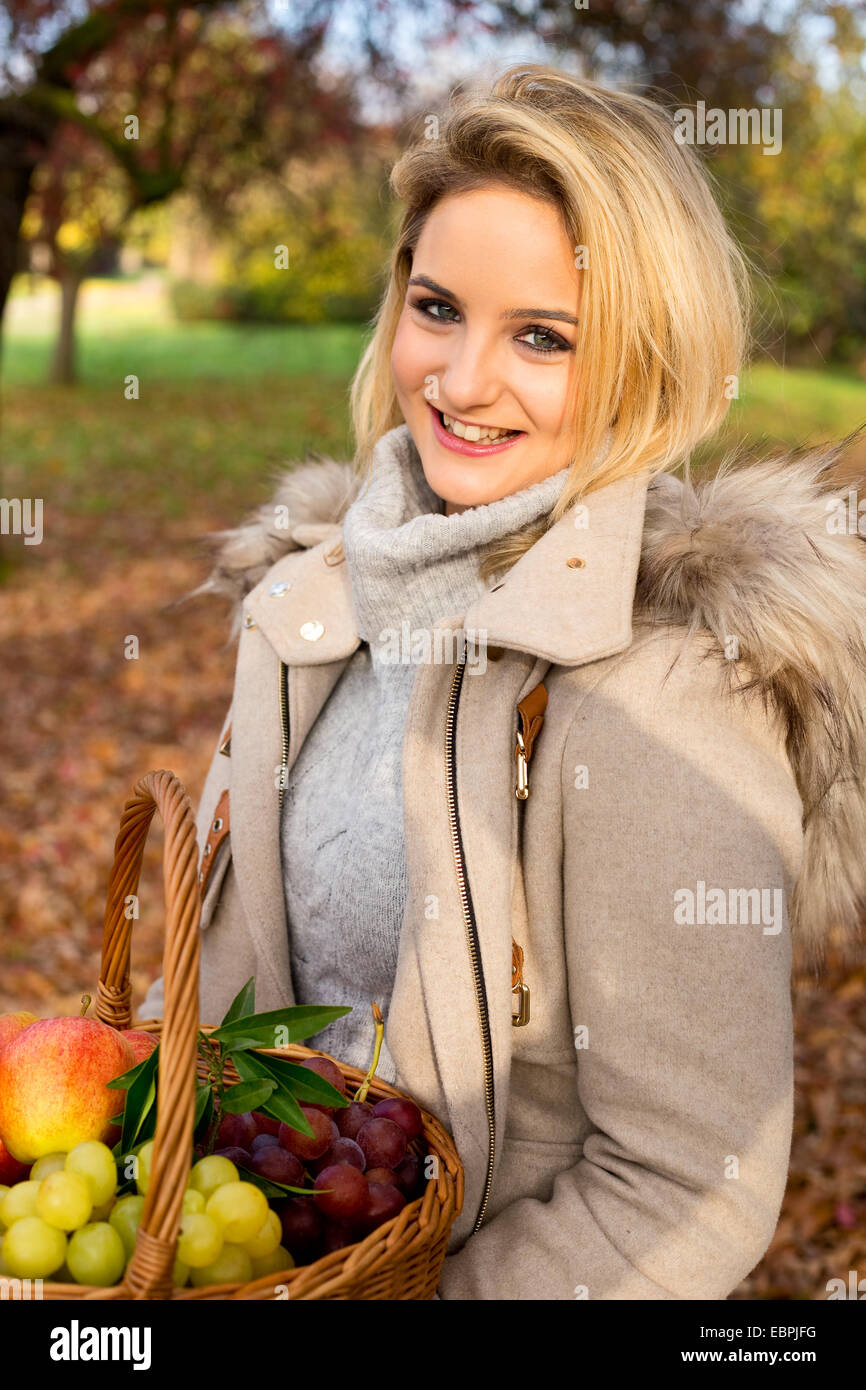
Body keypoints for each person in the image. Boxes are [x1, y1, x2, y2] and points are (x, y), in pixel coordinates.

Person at [141, 64, 866, 1299]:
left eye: (541, 336)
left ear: (643, 357)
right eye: (437, 308)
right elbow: (221, 991)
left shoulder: (662, 688)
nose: (462, 381)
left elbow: (685, 1182)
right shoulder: (306, 605)